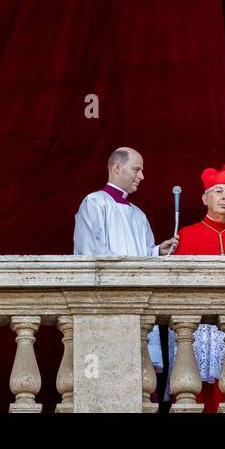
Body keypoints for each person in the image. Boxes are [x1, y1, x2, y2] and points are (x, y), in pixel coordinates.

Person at [73, 147, 179, 391]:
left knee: (139, 384)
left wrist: (156, 252)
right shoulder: (94, 203)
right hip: (105, 305)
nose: (141, 176)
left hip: (138, 306)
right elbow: (92, 254)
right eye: (137, 169)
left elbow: (142, 256)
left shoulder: (138, 214)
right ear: (117, 168)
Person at [164, 165, 225, 411]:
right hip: (196, 329)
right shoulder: (185, 236)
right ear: (204, 198)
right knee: (194, 389)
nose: (224, 197)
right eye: (218, 191)